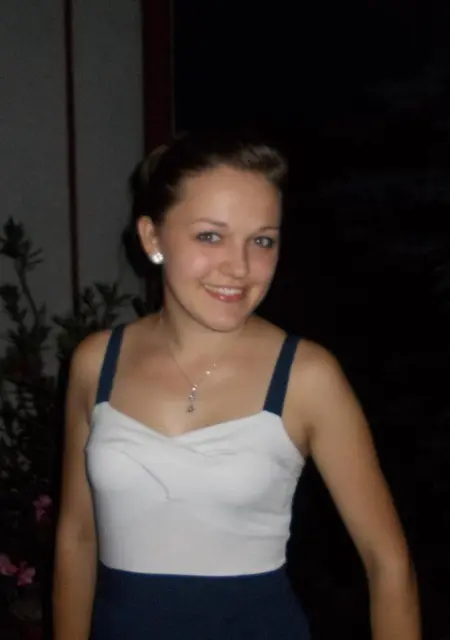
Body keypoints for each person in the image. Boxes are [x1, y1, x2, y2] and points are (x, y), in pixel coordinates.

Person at [53, 131, 420, 639]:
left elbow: (387, 562)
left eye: (262, 240)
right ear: (152, 238)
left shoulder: (307, 376)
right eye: (210, 236)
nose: (240, 268)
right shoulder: (97, 363)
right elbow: (77, 537)